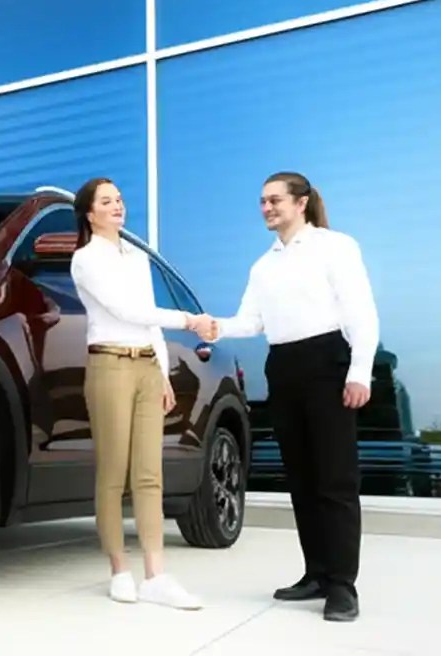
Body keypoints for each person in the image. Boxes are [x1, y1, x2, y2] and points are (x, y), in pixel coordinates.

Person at [194, 171, 378, 622]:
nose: (266, 208)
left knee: (335, 480)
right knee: (302, 478)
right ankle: (316, 573)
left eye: (274, 200)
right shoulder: (264, 265)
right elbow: (251, 321)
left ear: (302, 202)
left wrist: (360, 373)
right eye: (261, 201)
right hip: (284, 368)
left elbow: (361, 313)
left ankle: (342, 587)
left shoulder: (336, 247)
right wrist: (215, 327)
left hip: (327, 363)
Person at [68, 176, 206, 610]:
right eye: (107, 201)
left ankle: (156, 575)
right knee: (113, 474)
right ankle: (119, 570)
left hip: (146, 366)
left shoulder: (136, 258)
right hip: (109, 366)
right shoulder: (86, 259)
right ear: (90, 213)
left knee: (150, 474)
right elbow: (125, 311)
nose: (117, 206)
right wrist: (188, 319)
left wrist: (163, 373)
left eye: (120, 200)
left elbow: (146, 322)